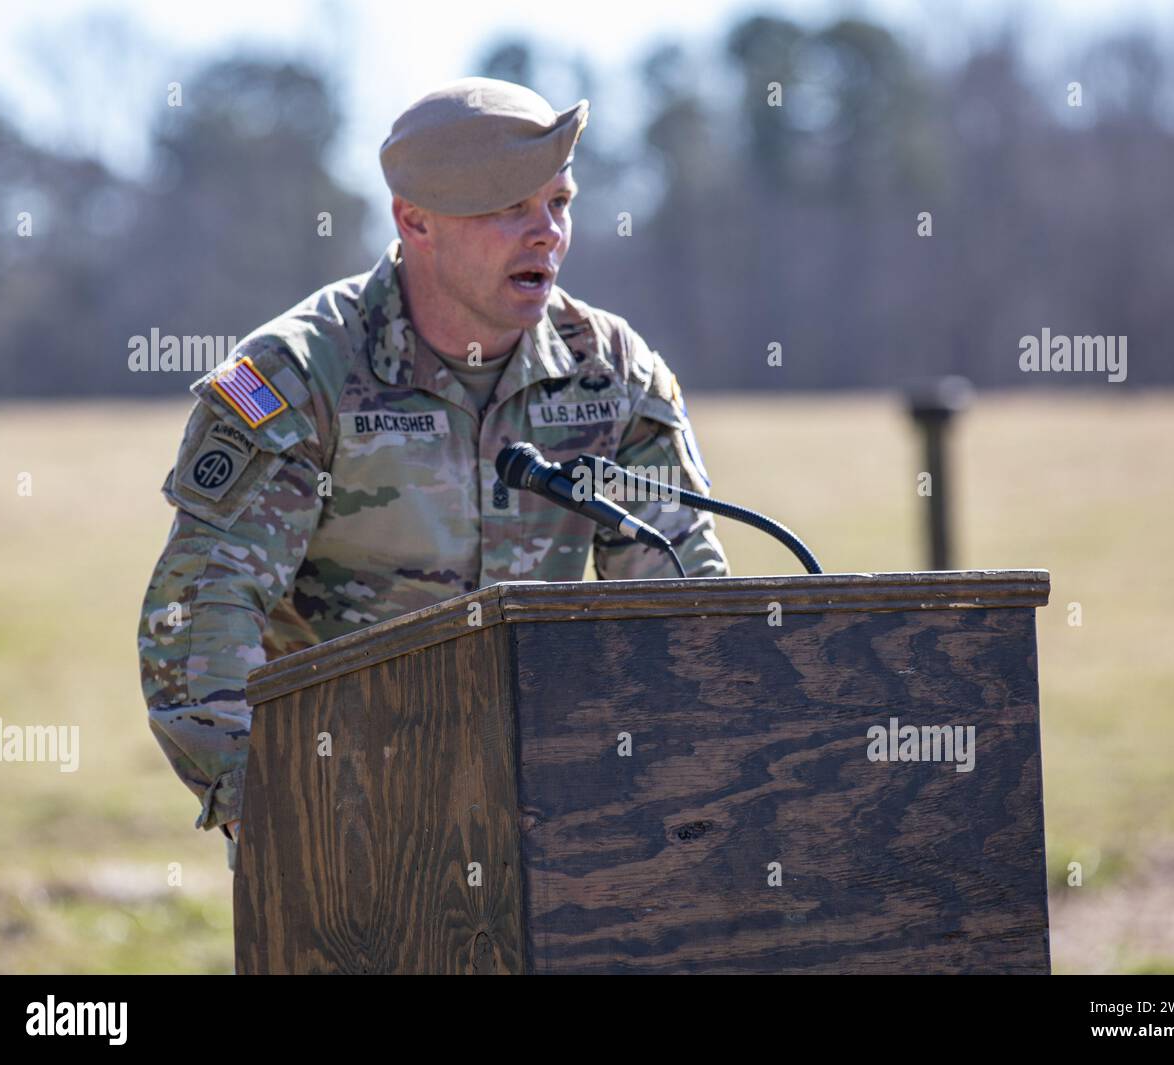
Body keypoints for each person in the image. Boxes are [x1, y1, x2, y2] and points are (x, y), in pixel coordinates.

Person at [136, 77, 730, 871]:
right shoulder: (299, 375)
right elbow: (198, 618)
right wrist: (283, 821)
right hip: (349, 832)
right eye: (509, 209)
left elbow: (683, 614)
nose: (547, 233)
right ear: (414, 221)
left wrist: (670, 804)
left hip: (562, 834)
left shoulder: (612, 373)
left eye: (559, 202)